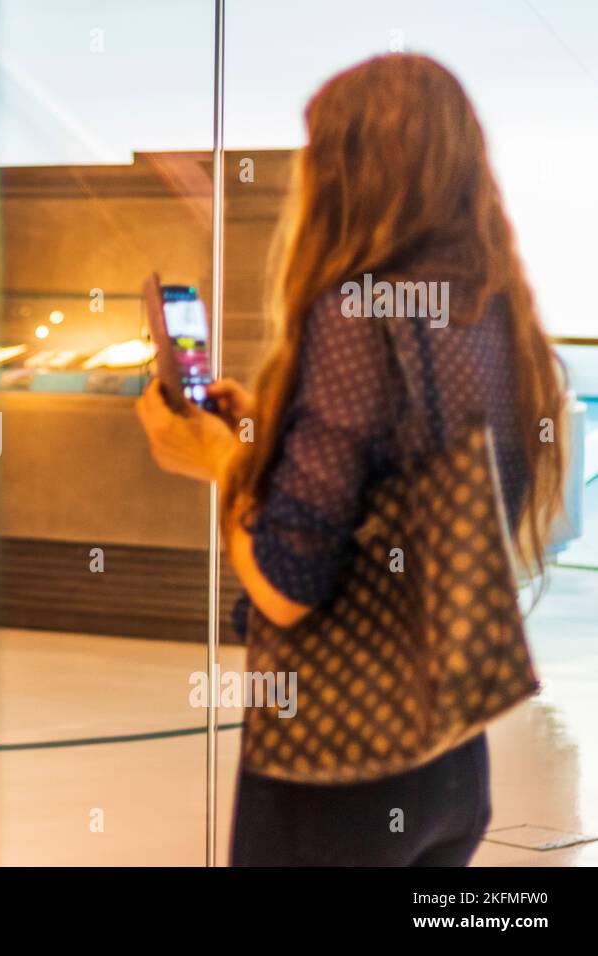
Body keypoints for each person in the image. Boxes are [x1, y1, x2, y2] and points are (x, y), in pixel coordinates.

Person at [135, 53, 566, 866]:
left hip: (340, 766)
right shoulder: (495, 315)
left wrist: (223, 465)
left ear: (347, 174)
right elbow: (405, 483)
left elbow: (288, 584)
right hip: (450, 762)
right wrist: (270, 432)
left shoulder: (354, 314)